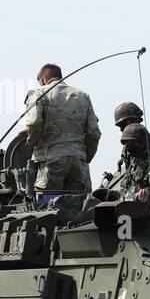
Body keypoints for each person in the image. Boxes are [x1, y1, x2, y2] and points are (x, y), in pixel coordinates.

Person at [20, 63, 101, 199]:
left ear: (42, 80)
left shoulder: (40, 92)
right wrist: (85, 157)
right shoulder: (82, 96)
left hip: (51, 162)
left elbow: (33, 123)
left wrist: (31, 145)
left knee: (47, 208)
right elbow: (94, 132)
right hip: (79, 163)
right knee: (81, 210)